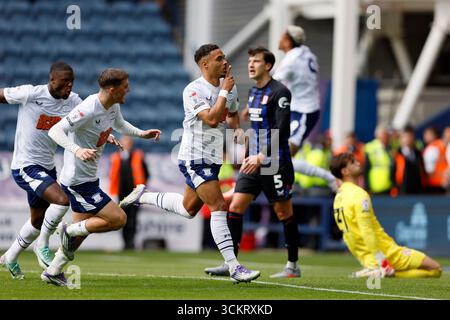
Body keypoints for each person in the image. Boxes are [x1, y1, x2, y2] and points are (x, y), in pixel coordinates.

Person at [119, 44, 260, 283]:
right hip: (195, 157)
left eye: (224, 58)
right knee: (218, 206)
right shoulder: (193, 90)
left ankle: (142, 196)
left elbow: (232, 113)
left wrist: (236, 130)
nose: (225, 62)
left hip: (213, 158)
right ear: (205, 64)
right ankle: (234, 266)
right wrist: (225, 92)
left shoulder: (229, 87)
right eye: (219, 59)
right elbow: (213, 119)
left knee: (188, 209)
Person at [40, 68, 161, 286]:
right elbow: (55, 131)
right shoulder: (88, 108)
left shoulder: (112, 105)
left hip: (89, 178)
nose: (129, 90)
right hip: (78, 181)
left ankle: (53, 271)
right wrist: (76, 150)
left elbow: (120, 125)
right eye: (125, 87)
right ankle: (68, 229)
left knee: (79, 235)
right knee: (118, 219)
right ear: (113, 90)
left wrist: (141, 133)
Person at [204, 46, 301, 278]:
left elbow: (281, 129)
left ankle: (293, 266)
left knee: (283, 212)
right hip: (252, 162)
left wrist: (262, 155)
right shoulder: (254, 92)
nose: (250, 65)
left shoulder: (281, 92)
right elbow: (257, 121)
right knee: (235, 207)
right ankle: (232, 264)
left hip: (274, 162)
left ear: (267, 66)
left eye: (256, 61)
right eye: (250, 61)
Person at [0, 62, 82, 279]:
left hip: (47, 167)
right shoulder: (30, 94)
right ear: (52, 80)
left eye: (71, 82)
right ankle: (41, 246)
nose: (69, 87)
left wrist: (108, 135)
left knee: (38, 220)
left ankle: (10, 256)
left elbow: (88, 120)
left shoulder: (74, 101)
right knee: (62, 200)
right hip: (25, 166)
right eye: (65, 82)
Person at [330, 152, 441, 278]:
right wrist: (382, 260)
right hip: (388, 252)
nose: (358, 163)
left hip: (366, 256)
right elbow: (367, 231)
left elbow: (347, 236)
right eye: (353, 162)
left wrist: (366, 259)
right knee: (436, 269)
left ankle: (377, 270)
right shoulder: (359, 194)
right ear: (345, 171)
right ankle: (385, 271)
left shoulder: (338, 198)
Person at [273, 25, 336, 191]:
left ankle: (328, 177)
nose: (279, 39)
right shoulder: (308, 55)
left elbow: (273, 85)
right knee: (277, 158)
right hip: (297, 110)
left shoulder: (291, 59)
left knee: (283, 157)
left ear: (288, 40)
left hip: (303, 112)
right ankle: (284, 185)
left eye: (281, 36)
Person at [109, 135, 149, 249]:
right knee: (123, 218)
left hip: (135, 193)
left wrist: (141, 187)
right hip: (122, 194)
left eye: (128, 143)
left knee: (133, 218)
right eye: (124, 143)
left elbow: (146, 173)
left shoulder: (138, 156)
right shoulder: (116, 157)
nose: (126, 145)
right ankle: (125, 242)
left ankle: (131, 242)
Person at [391, 126, 425, 195]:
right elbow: (392, 175)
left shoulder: (418, 154)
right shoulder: (396, 155)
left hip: (417, 191)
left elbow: (422, 171)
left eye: (410, 137)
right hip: (402, 192)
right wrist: (397, 187)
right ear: (401, 139)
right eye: (405, 137)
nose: (408, 139)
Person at [364, 125, 393, 194]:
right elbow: (366, 168)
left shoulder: (391, 147)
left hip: (389, 186)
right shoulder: (370, 147)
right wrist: (367, 186)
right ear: (377, 135)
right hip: (375, 186)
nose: (385, 137)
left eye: (386, 134)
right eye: (384, 134)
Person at [422, 126, 447, 194]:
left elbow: (429, 169)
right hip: (442, 182)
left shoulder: (432, 147)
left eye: (428, 134)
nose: (425, 136)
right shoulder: (442, 145)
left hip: (434, 183)